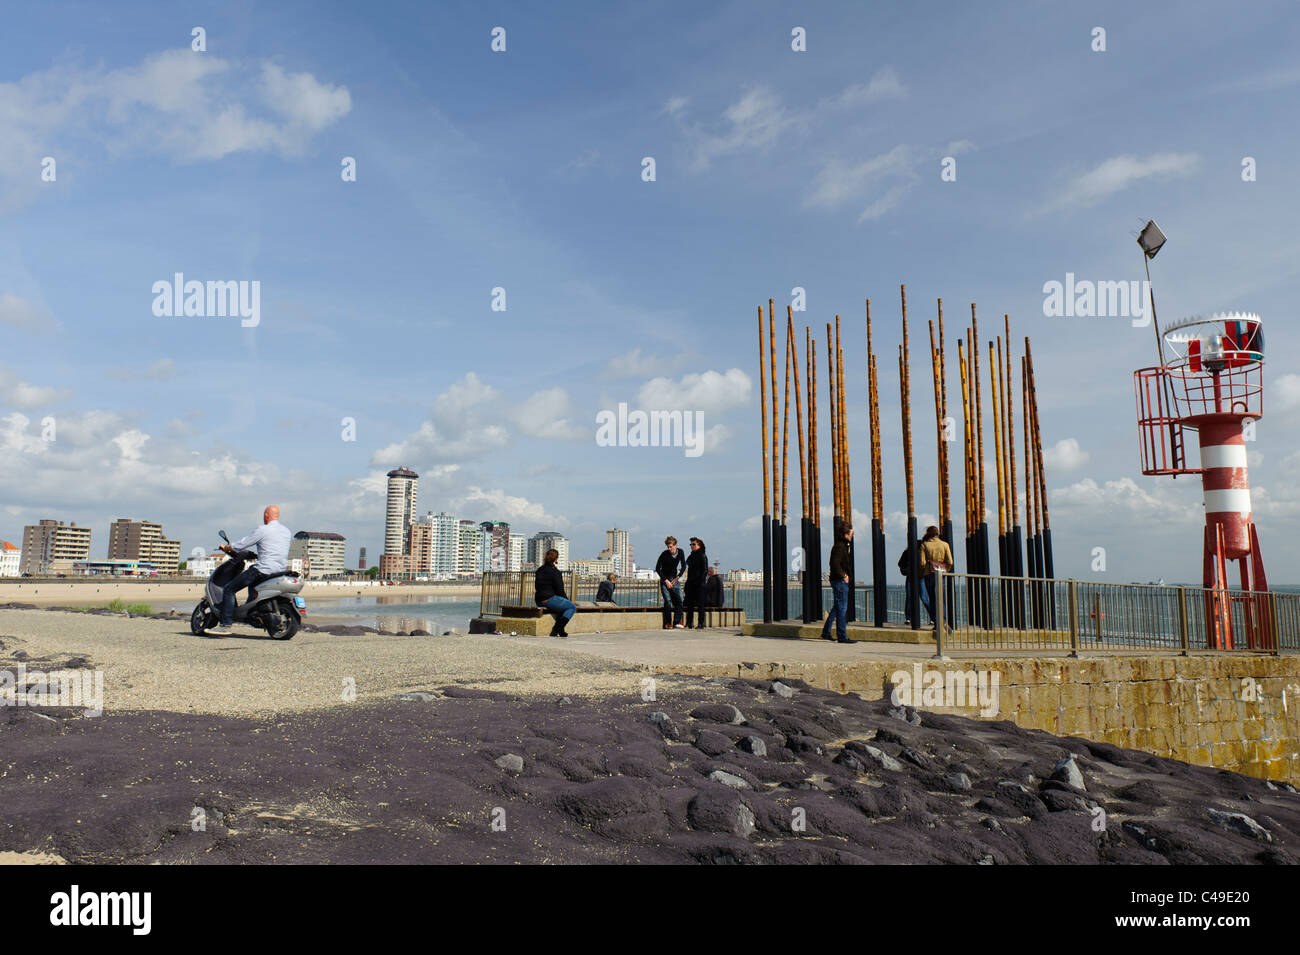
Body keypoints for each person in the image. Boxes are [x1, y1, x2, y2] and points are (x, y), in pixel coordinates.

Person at [210, 505, 291, 636]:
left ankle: (225, 624)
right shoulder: (286, 531)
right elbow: (275, 549)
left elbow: (242, 544)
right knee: (253, 587)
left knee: (229, 589)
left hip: (263, 569)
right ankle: (252, 612)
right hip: (279, 570)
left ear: (266, 515)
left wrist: (226, 547)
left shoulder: (263, 530)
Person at [821, 523, 853, 644]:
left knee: (837, 607)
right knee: (842, 608)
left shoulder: (843, 546)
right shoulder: (840, 547)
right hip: (839, 581)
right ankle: (842, 636)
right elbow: (834, 564)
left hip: (839, 580)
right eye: (851, 533)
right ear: (846, 535)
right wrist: (844, 575)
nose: (852, 535)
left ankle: (826, 632)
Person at [919, 525, 954, 628]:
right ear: (937, 533)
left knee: (932, 598)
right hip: (941, 573)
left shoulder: (924, 545)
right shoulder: (945, 544)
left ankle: (938, 622)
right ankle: (942, 619)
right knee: (941, 597)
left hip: (929, 574)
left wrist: (923, 571)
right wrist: (946, 570)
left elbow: (922, 563)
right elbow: (950, 561)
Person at [534, 548, 574, 637]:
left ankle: (561, 631)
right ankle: (557, 628)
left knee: (561, 608)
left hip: (538, 600)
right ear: (556, 559)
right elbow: (560, 590)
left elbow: (537, 586)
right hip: (549, 600)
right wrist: (566, 600)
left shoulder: (539, 570)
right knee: (571, 607)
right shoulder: (555, 572)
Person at [655, 536, 686, 629]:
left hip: (675, 580)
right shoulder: (664, 554)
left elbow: (684, 566)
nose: (669, 549)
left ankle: (676, 622)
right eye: (668, 547)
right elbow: (657, 568)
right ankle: (667, 623)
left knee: (679, 601)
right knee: (668, 602)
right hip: (665, 580)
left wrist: (678, 577)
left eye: (671, 547)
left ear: (675, 545)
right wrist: (666, 581)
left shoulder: (680, 552)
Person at [683, 537, 709, 629]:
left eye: (694, 544)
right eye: (691, 544)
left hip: (699, 584)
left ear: (699, 545)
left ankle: (701, 623)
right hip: (691, 583)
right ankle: (689, 622)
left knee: (700, 605)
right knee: (689, 604)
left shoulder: (702, 555)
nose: (691, 546)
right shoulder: (691, 556)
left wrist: (700, 582)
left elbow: (705, 570)